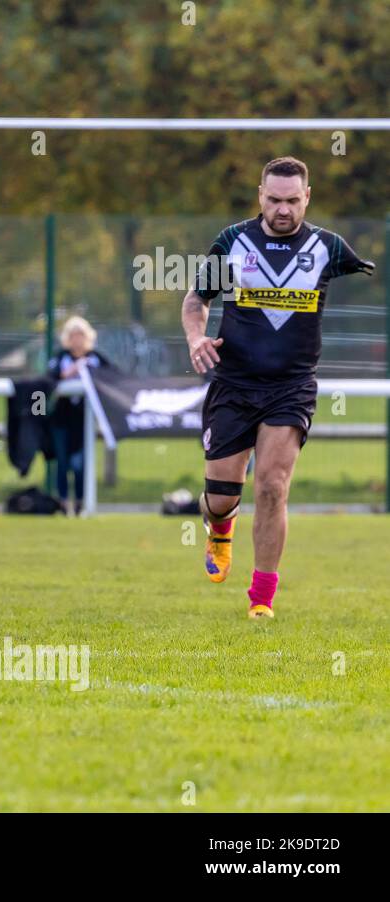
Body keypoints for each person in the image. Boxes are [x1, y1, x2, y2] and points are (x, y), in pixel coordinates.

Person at [182, 156, 375, 618]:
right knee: (221, 498)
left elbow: (367, 268)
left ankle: (261, 598)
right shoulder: (232, 242)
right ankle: (220, 530)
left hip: (291, 386)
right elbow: (196, 299)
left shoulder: (330, 247)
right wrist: (195, 338)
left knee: (272, 485)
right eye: (274, 200)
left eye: (292, 200)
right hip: (233, 382)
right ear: (260, 195)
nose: (283, 210)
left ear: (307, 197)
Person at [47, 316, 109, 515]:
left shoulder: (96, 358)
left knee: (80, 464)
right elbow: (49, 378)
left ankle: (81, 500)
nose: (77, 340)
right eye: (73, 336)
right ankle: (63, 502)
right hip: (62, 419)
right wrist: (74, 370)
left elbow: (112, 377)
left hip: (84, 421)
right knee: (62, 462)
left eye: (80, 335)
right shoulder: (60, 357)